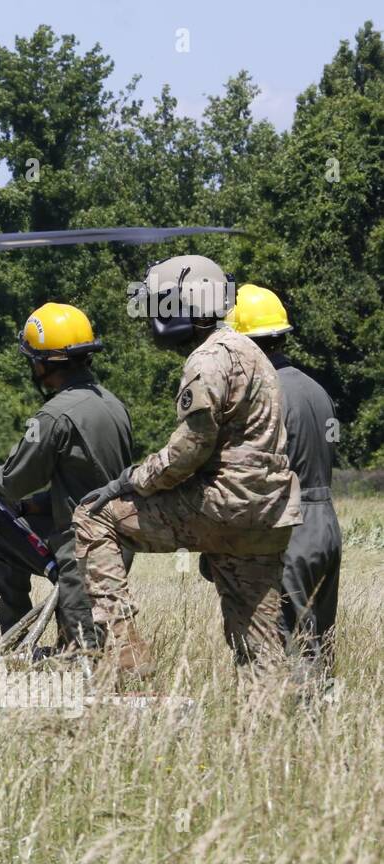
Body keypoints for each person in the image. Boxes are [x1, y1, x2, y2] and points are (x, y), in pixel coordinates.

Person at [73, 256, 302, 682]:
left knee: (94, 517)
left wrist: (132, 479)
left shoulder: (208, 359)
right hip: (268, 515)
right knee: (260, 639)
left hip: (221, 507)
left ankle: (124, 656)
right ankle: (266, 724)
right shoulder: (252, 351)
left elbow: (189, 450)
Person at [0, 302, 136, 668]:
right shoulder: (114, 405)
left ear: (42, 364)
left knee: (85, 659)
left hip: (82, 546)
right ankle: (15, 649)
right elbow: (90, 483)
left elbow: (10, 483)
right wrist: (29, 510)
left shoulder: (53, 415)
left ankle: (16, 652)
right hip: (118, 536)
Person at [225, 284, 340, 685]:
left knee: (277, 646)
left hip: (286, 525)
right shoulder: (317, 390)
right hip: (326, 524)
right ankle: (320, 726)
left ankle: (282, 734)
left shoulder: (264, 395)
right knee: (317, 646)